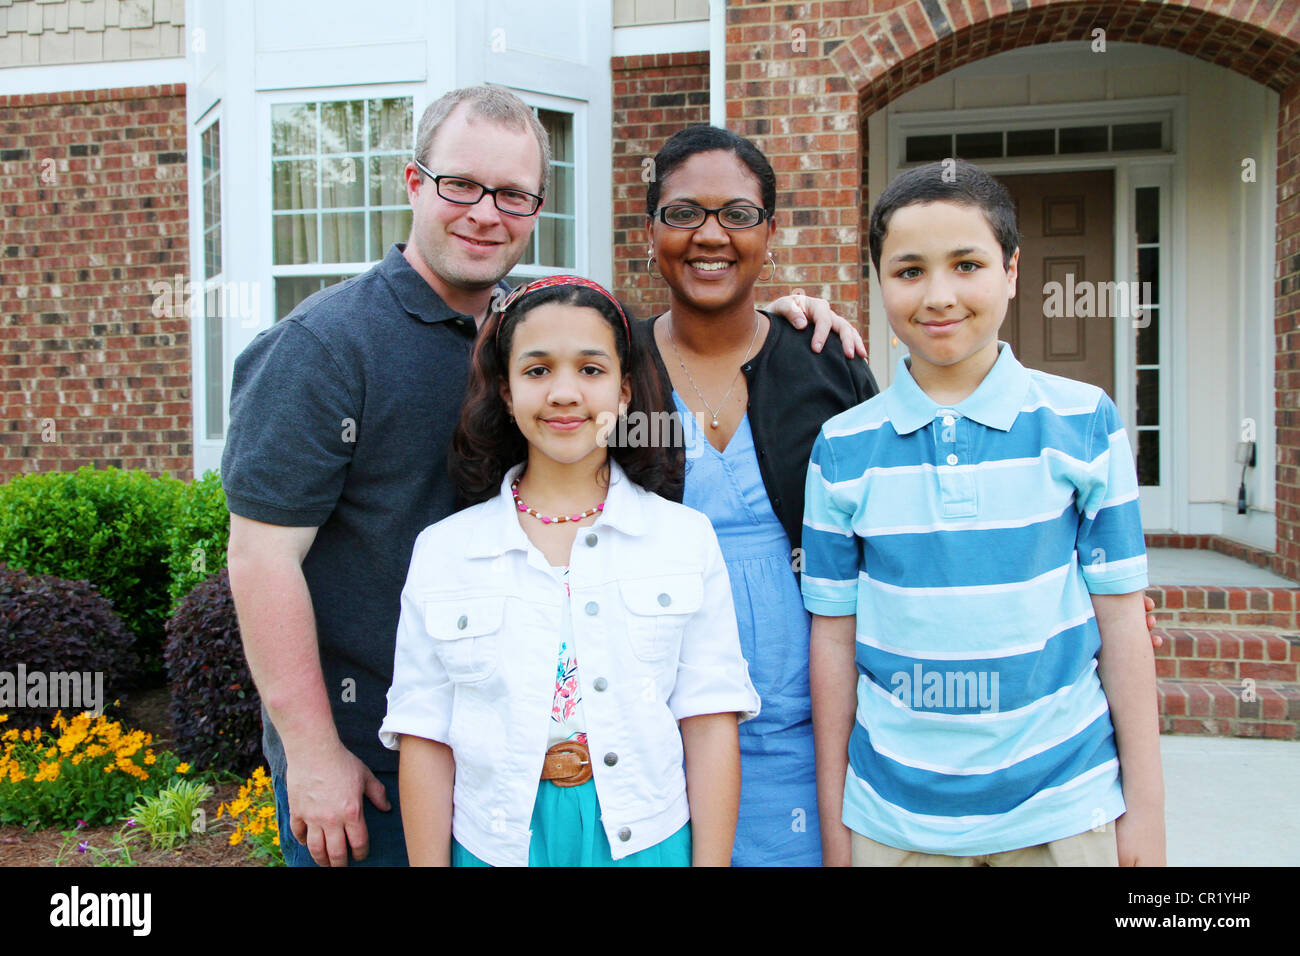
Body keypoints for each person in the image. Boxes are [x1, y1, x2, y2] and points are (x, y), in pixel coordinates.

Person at [222, 85, 862, 867]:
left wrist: (786, 315)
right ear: (413, 182)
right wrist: (313, 754)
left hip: (571, 763)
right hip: (377, 763)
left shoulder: (530, 322)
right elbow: (261, 558)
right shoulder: (323, 346)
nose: (485, 213)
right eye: (461, 184)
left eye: (514, 194)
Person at [803, 159, 1165, 867]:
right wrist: (837, 824)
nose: (939, 295)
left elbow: (1123, 626)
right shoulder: (843, 448)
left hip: (1063, 810)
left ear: (1012, 271)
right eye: (909, 271)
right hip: (894, 821)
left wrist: (1146, 819)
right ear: (879, 282)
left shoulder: (1084, 422)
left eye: (967, 264)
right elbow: (834, 643)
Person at [379, 275, 760, 866]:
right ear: (505, 392)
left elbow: (709, 720)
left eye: (590, 369)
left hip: (648, 840)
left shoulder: (684, 539)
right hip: (495, 844)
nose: (563, 393)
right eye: (536, 370)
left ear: (625, 390)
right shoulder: (445, 551)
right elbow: (425, 735)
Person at [634, 125, 879, 866]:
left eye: (738, 214)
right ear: (651, 230)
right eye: (684, 213)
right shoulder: (612, 368)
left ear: (770, 231)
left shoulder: (824, 364)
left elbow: (903, 525)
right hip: (653, 741)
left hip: (811, 740)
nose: (711, 235)